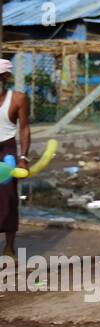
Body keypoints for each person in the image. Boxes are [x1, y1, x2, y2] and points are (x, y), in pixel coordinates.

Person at [0, 59, 31, 259]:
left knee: (8, 199)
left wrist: (23, 157)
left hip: (7, 153)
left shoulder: (18, 98)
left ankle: (9, 247)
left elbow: (24, 128)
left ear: (6, 78)